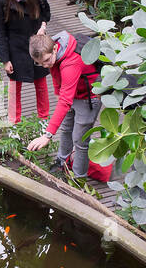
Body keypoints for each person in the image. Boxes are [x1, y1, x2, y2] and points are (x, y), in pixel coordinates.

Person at [26, 29, 108, 181]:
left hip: (88, 96)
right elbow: (57, 76)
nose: (45, 65)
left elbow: (65, 100)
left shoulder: (71, 62)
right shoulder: (53, 51)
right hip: (71, 92)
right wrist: (59, 94)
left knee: (80, 140)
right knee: (65, 129)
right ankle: (61, 162)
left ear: (55, 48)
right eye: (40, 63)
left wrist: (47, 135)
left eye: (47, 60)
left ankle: (78, 178)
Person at [0, 0, 51, 124]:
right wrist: (5, 59)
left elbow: (46, 13)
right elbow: (0, 31)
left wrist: (43, 26)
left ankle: (43, 121)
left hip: (36, 43)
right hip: (15, 46)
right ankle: (14, 123)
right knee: (14, 87)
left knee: (41, 84)